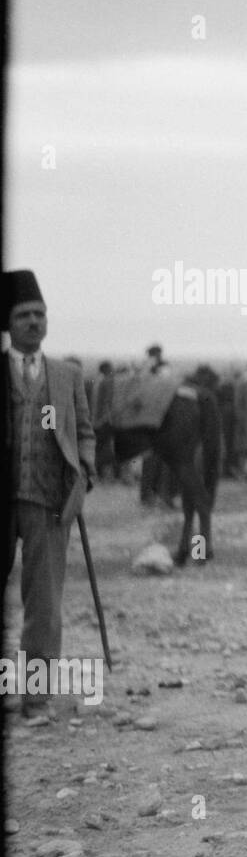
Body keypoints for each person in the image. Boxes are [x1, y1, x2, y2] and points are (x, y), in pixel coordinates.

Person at [2, 270, 96, 721]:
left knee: (43, 606)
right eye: (24, 315)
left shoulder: (67, 375)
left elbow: (84, 432)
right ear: (8, 323)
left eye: (40, 314)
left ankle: (34, 697)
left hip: (48, 504)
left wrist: (86, 474)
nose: (35, 322)